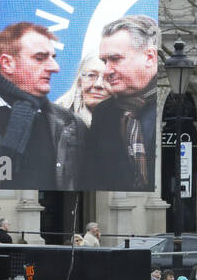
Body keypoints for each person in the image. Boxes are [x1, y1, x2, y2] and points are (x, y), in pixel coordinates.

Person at [68, 15, 160, 192]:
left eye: (115, 59)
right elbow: (91, 177)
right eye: (104, 61)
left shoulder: (170, 102)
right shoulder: (104, 112)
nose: (107, 70)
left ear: (149, 57)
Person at [0, 21, 69, 187]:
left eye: (52, 58)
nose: (55, 68)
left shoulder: (68, 123)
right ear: (7, 63)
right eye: (40, 58)